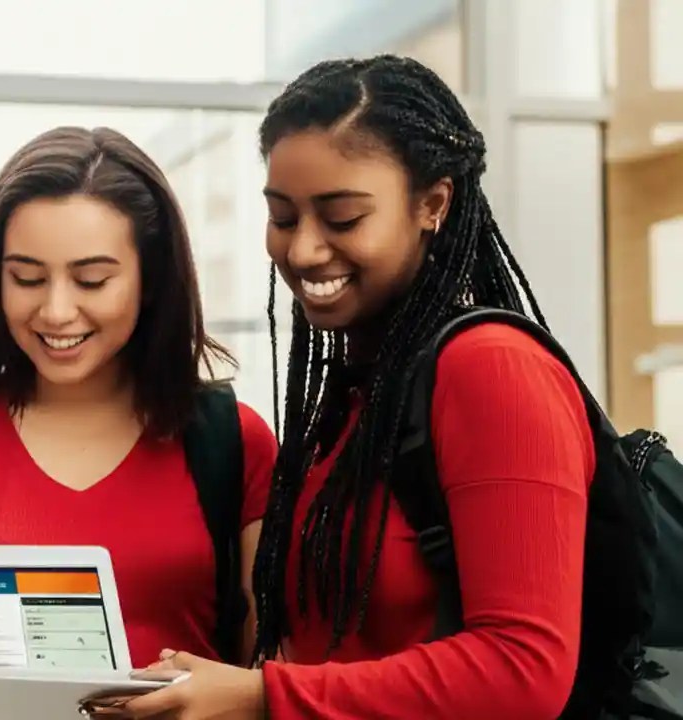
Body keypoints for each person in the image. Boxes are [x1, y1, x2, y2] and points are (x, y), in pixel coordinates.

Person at [121, 55, 593, 719]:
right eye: (283, 217)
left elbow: (525, 670)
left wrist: (262, 697)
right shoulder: (362, 392)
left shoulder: (494, 372)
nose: (305, 250)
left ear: (433, 203)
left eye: (341, 219)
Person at [0, 126, 279, 696]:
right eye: (26, 278)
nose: (56, 311)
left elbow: (268, 686)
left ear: (151, 280)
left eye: (92, 280)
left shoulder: (234, 441)